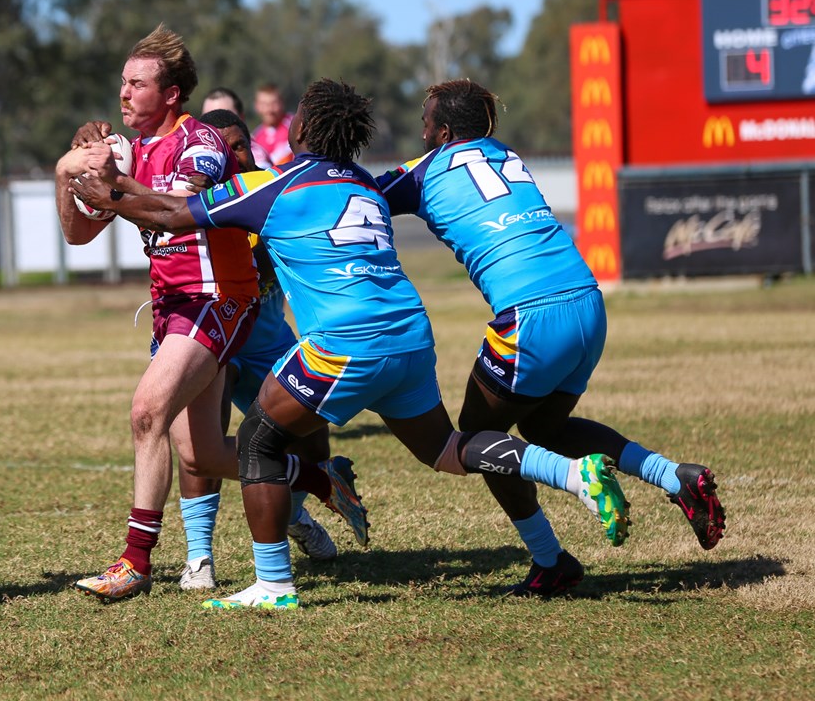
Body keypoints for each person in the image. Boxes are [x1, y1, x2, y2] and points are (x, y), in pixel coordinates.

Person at [72, 78, 630, 610]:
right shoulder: (365, 182)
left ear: (304, 128)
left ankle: (272, 584)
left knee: (259, 441)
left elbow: (174, 214)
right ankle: (571, 473)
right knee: (445, 449)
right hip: (410, 337)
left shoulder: (276, 184)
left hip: (346, 342)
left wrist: (109, 194)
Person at [376, 78, 726, 595]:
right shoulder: (505, 154)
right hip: (587, 303)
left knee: (477, 439)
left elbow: (349, 196)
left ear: (444, 132)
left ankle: (550, 559)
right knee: (545, 427)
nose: (422, 131)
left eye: (427, 123)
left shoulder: (424, 170)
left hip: (531, 318)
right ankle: (676, 477)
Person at [57, 27, 362, 601]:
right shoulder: (133, 150)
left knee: (146, 412)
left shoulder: (200, 142)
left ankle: (135, 562)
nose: (123, 94)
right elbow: (77, 235)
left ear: (171, 94)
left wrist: (114, 184)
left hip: (218, 298)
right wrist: (65, 172)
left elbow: (183, 201)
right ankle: (321, 479)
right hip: (172, 306)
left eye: (137, 84)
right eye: (123, 82)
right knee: (201, 453)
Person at [176, 109, 337, 584]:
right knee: (202, 439)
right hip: (215, 340)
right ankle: (199, 558)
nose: (233, 156)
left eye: (240, 145)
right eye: (221, 148)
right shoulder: (192, 201)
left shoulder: (270, 191)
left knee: (314, 438)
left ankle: (294, 515)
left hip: (269, 341)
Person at [201, 87, 272, 169]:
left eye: (225, 115)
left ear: (241, 118)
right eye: (209, 117)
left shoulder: (258, 157)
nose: (217, 123)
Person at [251, 83, 294, 166]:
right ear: (256, 106)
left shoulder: (294, 126)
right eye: (264, 104)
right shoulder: (256, 136)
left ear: (282, 103)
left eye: (274, 103)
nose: (269, 110)